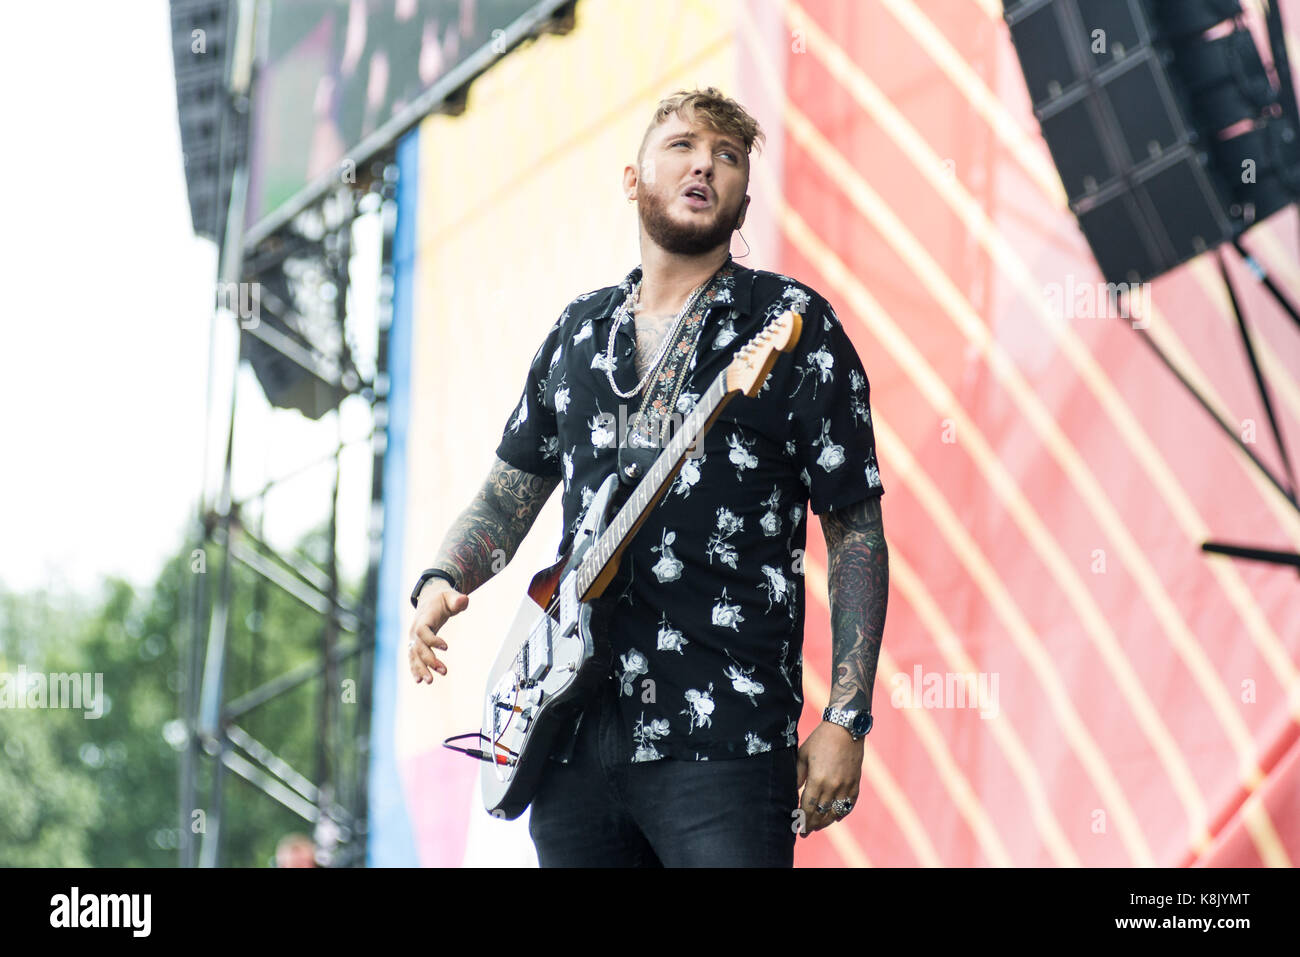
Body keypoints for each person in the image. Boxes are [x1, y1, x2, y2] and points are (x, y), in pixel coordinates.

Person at [408, 87, 888, 867]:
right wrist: (442, 575)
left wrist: (847, 715)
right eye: (683, 146)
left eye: (728, 157)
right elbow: (507, 493)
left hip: (725, 741)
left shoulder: (791, 325)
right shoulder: (576, 334)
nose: (705, 163)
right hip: (568, 741)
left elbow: (856, 530)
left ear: (742, 202)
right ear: (633, 179)